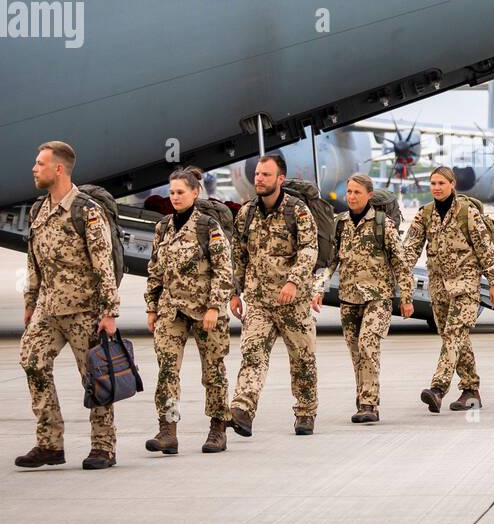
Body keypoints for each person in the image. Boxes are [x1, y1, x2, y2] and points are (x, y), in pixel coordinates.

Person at [16, 141, 121, 469]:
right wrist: (31, 302)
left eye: (40, 163)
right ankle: (49, 443)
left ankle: (103, 447)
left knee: (94, 377)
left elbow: (103, 263)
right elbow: (33, 260)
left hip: (84, 310)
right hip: (48, 309)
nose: (34, 169)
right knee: (31, 360)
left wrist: (109, 313)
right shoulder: (38, 209)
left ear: (58, 169)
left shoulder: (86, 210)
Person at [229, 154, 320, 437]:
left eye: (266, 175)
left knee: (302, 358)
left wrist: (293, 282)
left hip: (293, 302)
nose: (258, 179)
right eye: (257, 174)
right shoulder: (246, 213)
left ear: (280, 179)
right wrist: (234, 292)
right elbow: (238, 255)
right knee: (252, 354)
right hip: (258, 301)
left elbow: (309, 250)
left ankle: (305, 412)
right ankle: (242, 408)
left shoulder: (298, 211)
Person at [144, 166, 233, 455]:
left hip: (205, 311)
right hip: (172, 311)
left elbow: (223, 270)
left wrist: (214, 307)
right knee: (167, 370)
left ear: (195, 193)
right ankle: (167, 431)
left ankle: (218, 429)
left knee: (213, 372)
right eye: (171, 193)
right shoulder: (163, 227)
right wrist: (152, 307)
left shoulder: (208, 226)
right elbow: (155, 270)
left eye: (181, 192)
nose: (175, 197)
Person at [314, 174, 414, 423]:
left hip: (377, 298)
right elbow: (330, 262)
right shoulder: (340, 224)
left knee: (369, 345)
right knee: (356, 353)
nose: (351, 196)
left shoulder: (383, 225)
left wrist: (406, 297)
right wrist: (318, 289)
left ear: (369, 195)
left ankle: (369, 404)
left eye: (357, 192)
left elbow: (401, 263)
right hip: (348, 299)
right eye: (349, 192)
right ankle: (363, 399)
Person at [401, 167, 494, 413]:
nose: (436, 187)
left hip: (466, 283)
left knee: (455, 334)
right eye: (433, 183)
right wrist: (401, 279)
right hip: (438, 286)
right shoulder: (425, 214)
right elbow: (410, 250)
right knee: (454, 338)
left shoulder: (467, 212)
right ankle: (471, 391)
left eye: (441, 183)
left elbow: (485, 249)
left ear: (452, 184)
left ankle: (438, 389)